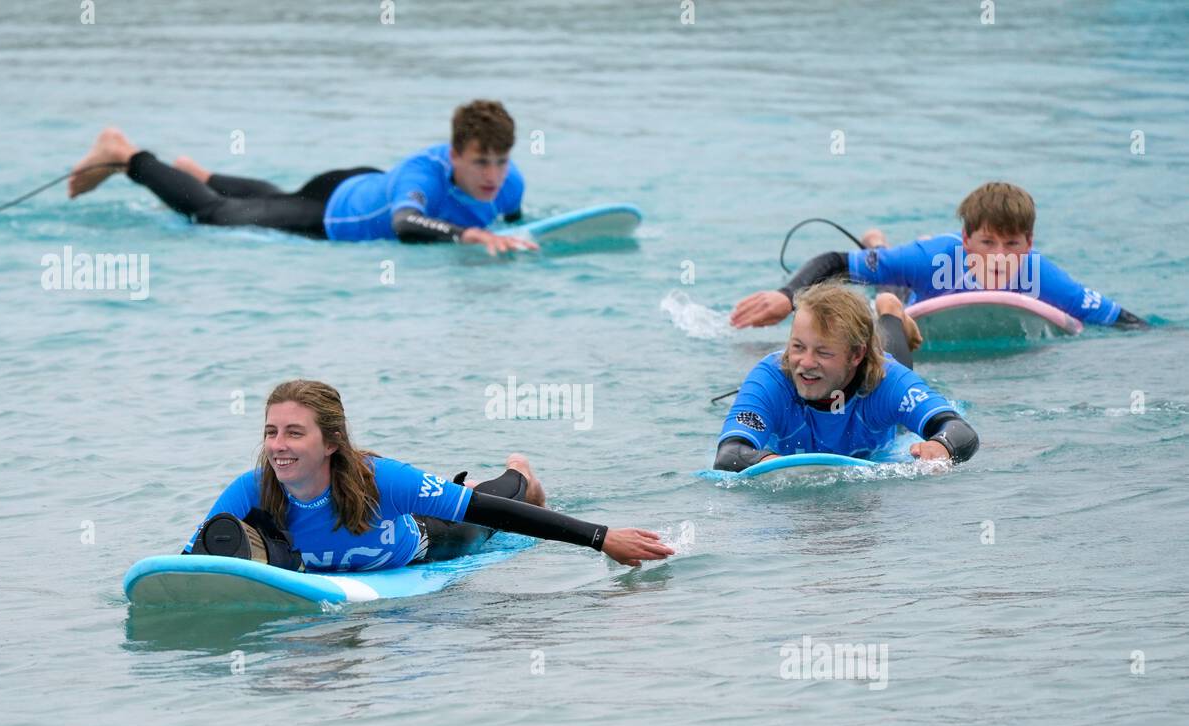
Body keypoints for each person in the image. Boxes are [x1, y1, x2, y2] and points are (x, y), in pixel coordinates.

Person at [186, 380, 675, 571]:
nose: (277, 446)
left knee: (483, 514)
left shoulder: (381, 479)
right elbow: (191, 557)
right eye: (271, 431)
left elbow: (487, 510)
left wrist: (601, 537)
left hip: (429, 542)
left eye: (294, 432)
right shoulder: (251, 490)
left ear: (330, 442)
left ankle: (521, 473)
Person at [67, 100, 537, 255]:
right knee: (214, 214)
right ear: (456, 153)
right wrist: (470, 235)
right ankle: (126, 154)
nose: (493, 174)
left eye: (501, 161)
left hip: (356, 185)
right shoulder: (424, 173)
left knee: (274, 198)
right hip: (330, 211)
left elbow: (514, 220)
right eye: (480, 162)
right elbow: (405, 224)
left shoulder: (509, 179)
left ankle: (199, 173)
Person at [730, 182, 1147, 330]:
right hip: (917, 283)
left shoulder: (1042, 277)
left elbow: (1123, 322)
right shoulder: (934, 257)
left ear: (1030, 243)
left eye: (1012, 245)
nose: (1000, 257)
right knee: (886, 278)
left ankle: (881, 247)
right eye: (988, 243)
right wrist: (788, 296)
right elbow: (835, 262)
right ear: (966, 240)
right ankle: (878, 247)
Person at [714, 283, 979, 471]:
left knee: (896, 359)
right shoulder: (770, 379)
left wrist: (940, 447)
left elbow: (959, 431)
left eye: (823, 352)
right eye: (797, 346)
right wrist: (768, 463)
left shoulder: (887, 380)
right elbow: (730, 454)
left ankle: (890, 312)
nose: (805, 363)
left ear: (855, 355)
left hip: (882, 426)